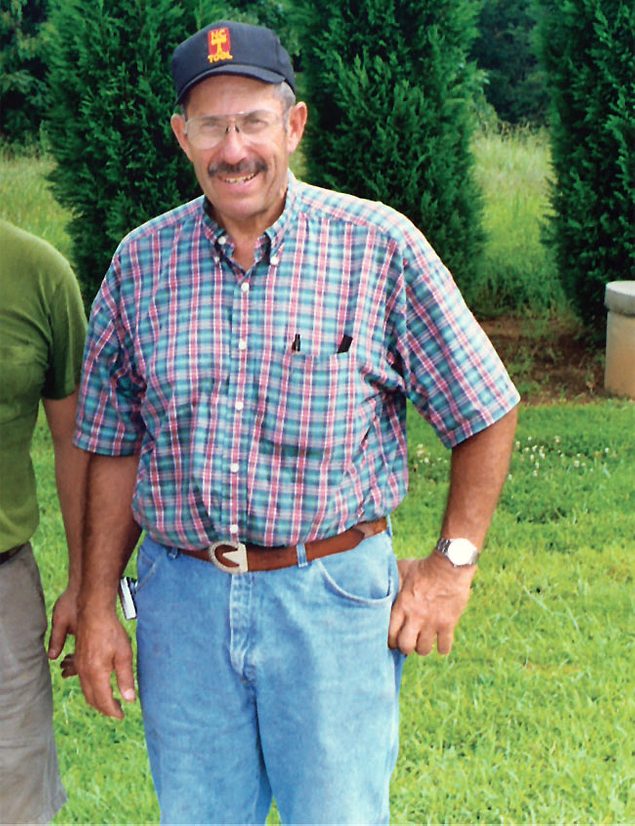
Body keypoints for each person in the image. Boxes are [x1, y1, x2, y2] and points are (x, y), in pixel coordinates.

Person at [73, 19, 520, 825]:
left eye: (251, 121)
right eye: (211, 125)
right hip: (183, 604)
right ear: (182, 136)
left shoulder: (377, 246)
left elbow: (484, 406)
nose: (233, 148)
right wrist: (97, 601)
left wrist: (452, 564)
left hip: (332, 599)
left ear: (293, 124)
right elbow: (111, 446)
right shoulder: (138, 264)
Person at [0, 219, 87, 824]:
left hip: (2, 592)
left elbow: (76, 443)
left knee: (15, 799)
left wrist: (87, 584)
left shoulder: (39, 273)